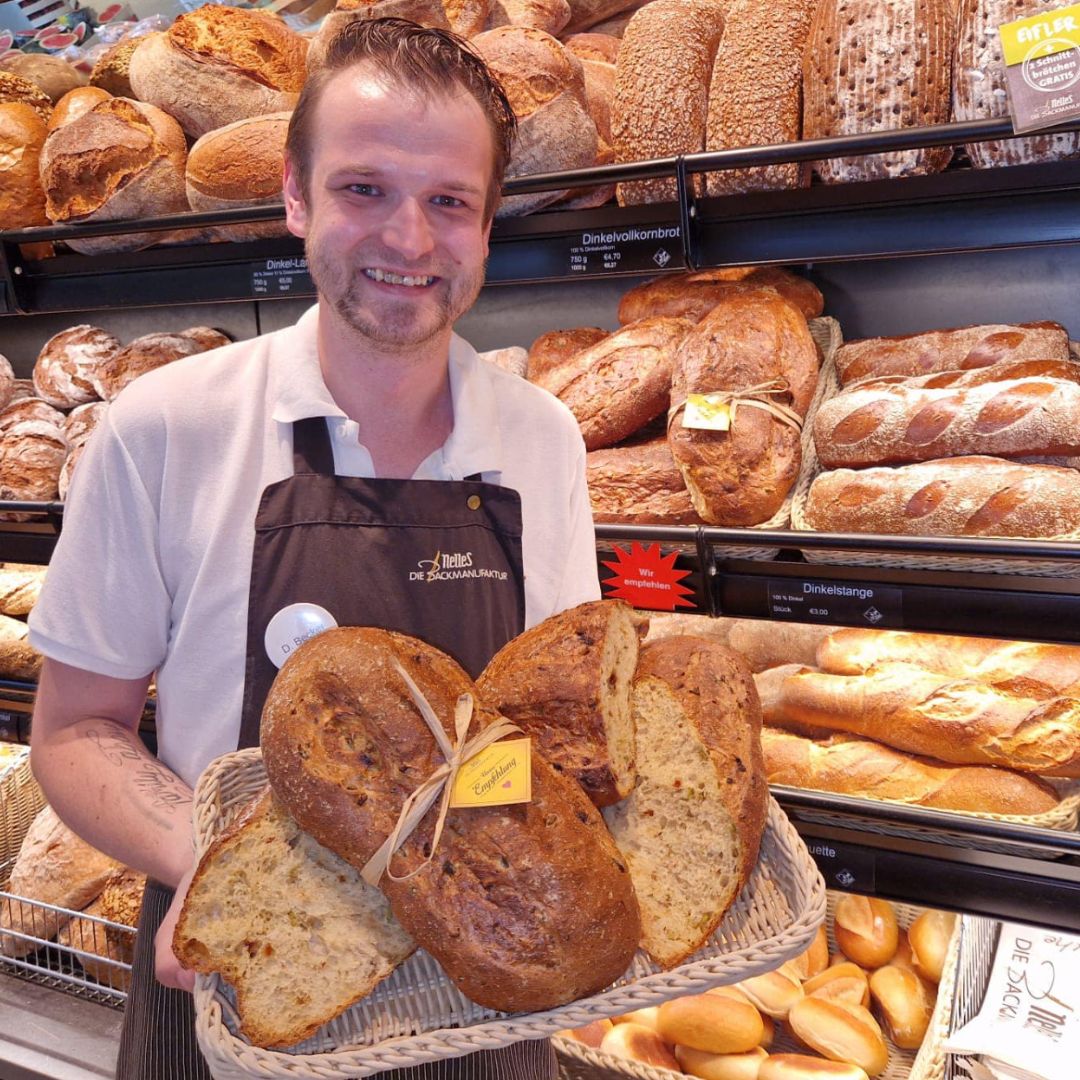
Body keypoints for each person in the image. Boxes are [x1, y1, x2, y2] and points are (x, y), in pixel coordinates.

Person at [28, 18, 600, 1080]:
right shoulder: (164, 426)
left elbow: (535, 735)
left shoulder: (541, 438)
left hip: (471, 992)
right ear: (295, 195)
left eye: (449, 202)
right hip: (235, 980)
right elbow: (75, 732)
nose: (410, 241)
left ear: (488, 223)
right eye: (364, 190)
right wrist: (225, 869)